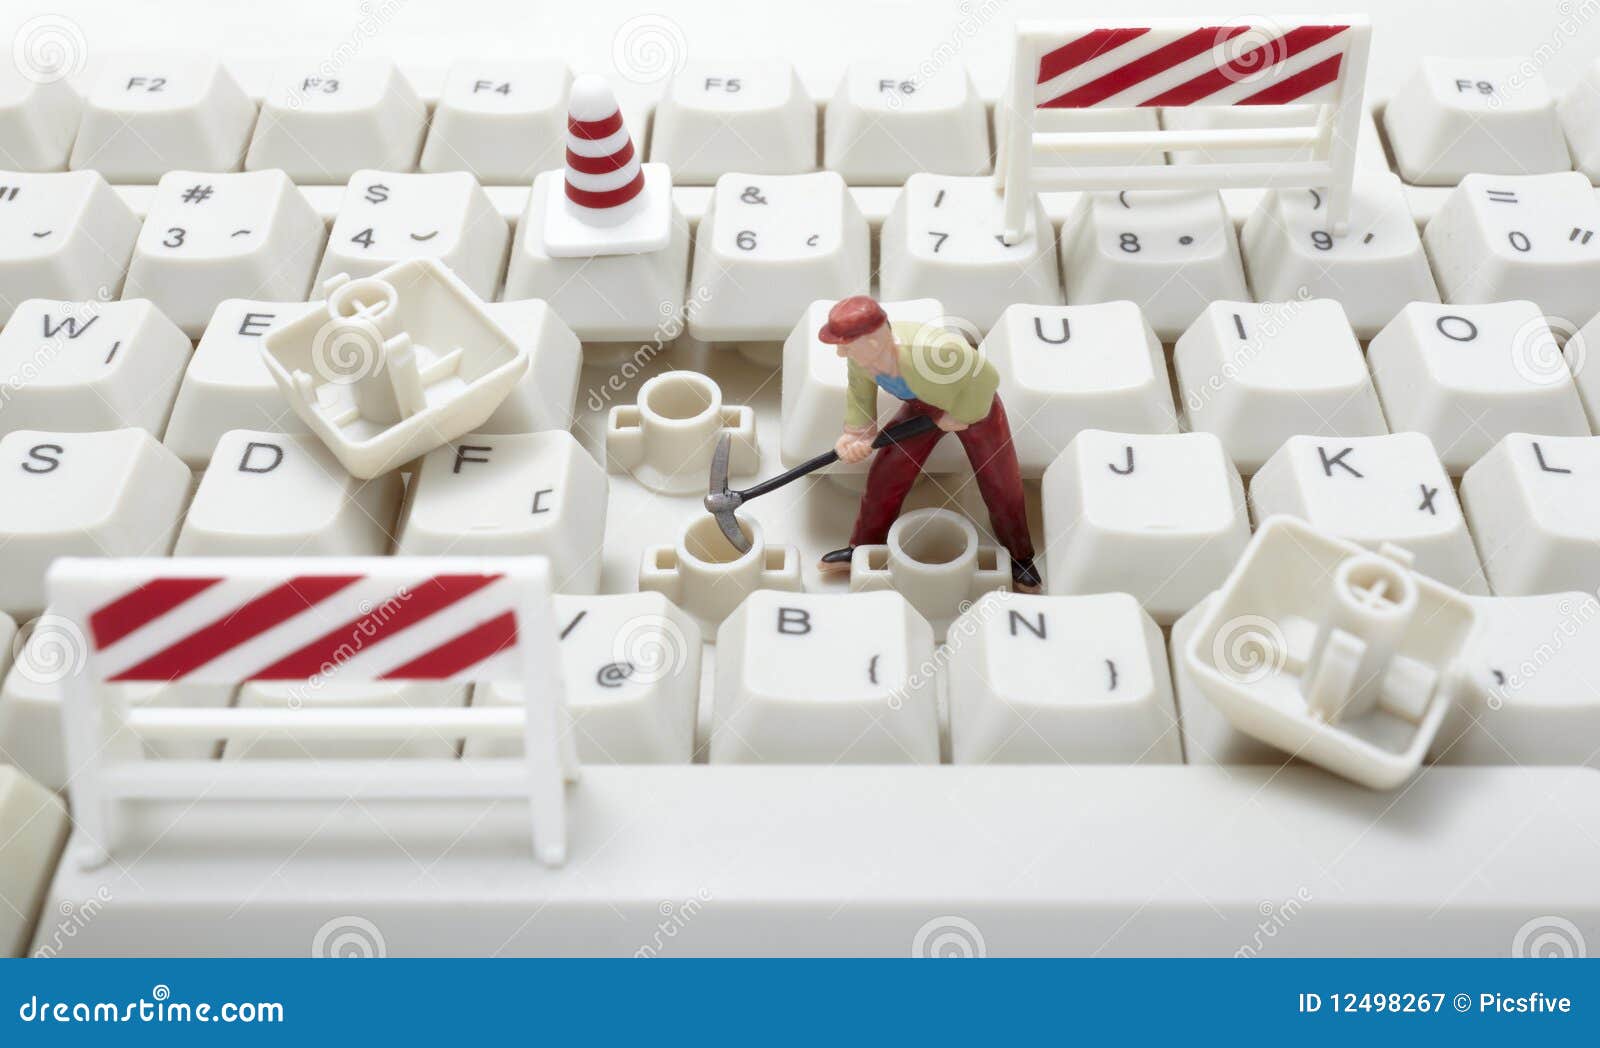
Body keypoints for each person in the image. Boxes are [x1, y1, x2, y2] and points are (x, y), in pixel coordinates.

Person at [816, 295, 1040, 592]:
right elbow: (860, 394)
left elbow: (986, 378)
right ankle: (864, 547)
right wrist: (858, 435)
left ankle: (1020, 557)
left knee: (1000, 481)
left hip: (976, 409)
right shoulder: (862, 360)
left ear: (871, 342)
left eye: (845, 345)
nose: (840, 353)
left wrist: (959, 415)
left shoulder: (933, 351)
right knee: (887, 472)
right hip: (923, 410)